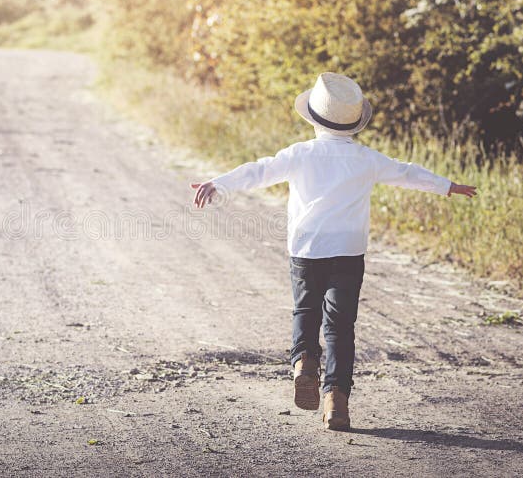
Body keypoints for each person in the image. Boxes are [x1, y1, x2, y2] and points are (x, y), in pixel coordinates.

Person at [191, 72, 477, 431]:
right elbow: (406, 173)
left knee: (305, 311)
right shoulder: (366, 158)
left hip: (307, 248)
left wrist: (219, 184)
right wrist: (446, 185)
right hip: (348, 251)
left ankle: (304, 362)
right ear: (353, 123)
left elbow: (260, 171)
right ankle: (336, 403)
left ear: (314, 119)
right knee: (341, 327)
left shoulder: (300, 154)